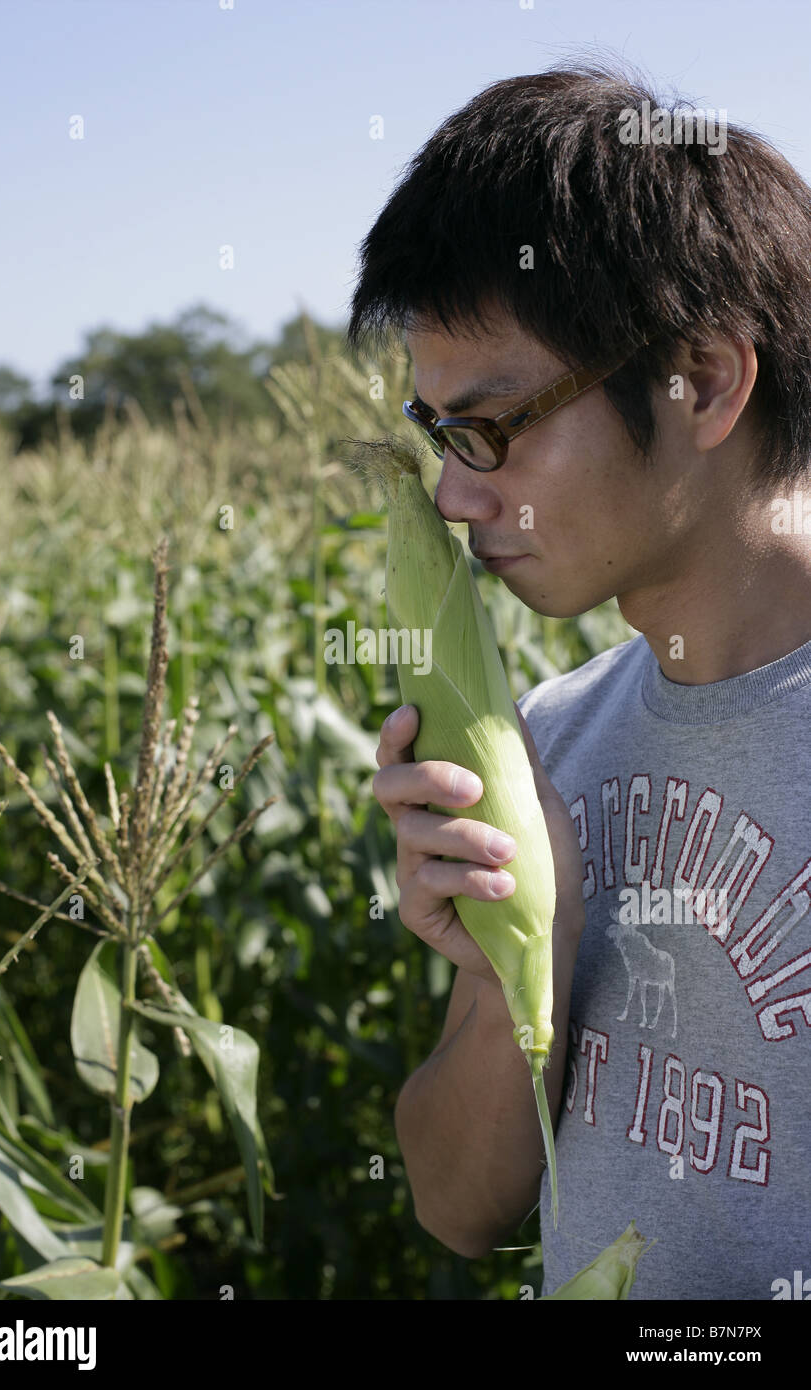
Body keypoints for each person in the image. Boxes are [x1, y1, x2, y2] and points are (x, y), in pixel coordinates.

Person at [345, 60, 811, 1300]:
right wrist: (515, 966)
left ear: (700, 379)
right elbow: (456, 1209)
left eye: (491, 428)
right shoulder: (550, 735)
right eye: (438, 435)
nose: (452, 492)